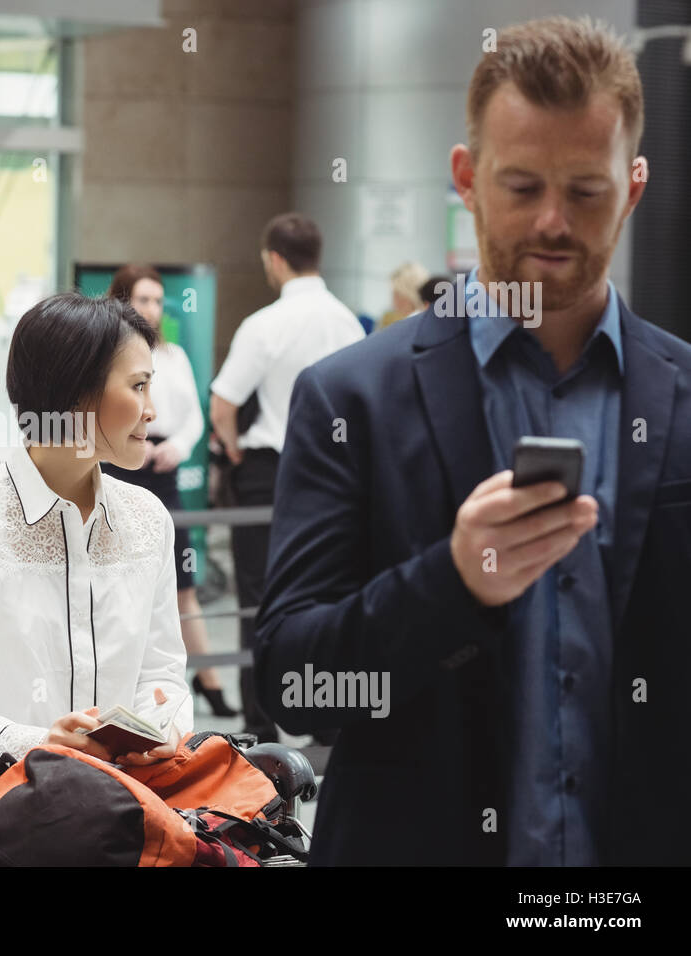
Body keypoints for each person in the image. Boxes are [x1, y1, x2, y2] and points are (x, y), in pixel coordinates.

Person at [253, 16, 691, 865]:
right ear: (466, 177)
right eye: (523, 187)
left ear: (634, 186)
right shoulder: (352, 398)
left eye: (586, 191)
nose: (553, 223)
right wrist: (451, 581)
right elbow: (297, 687)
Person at [0, 292, 193, 766]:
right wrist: (30, 743)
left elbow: (163, 673)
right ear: (76, 393)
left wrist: (162, 727)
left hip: (129, 807)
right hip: (0, 819)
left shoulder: (148, 518)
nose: (151, 410)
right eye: (137, 386)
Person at [209, 214, 365, 741]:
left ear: (275, 259)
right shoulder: (348, 322)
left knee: (257, 599)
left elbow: (223, 403)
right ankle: (327, 724)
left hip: (268, 472)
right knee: (328, 596)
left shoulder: (265, 323)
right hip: (336, 472)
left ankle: (261, 729)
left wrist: (231, 452)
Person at [101, 265, 236, 717]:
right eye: (143, 299)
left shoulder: (174, 355)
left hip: (165, 469)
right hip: (120, 463)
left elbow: (196, 415)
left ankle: (209, 678)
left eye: (158, 300)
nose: (153, 309)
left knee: (182, 582)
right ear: (123, 301)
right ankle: (130, 684)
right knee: (119, 578)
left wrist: (177, 447)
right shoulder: (109, 353)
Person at [375, 260, 429, 330]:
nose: (393, 300)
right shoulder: (427, 320)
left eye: (397, 294)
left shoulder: (411, 326)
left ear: (409, 295)